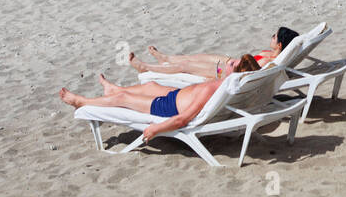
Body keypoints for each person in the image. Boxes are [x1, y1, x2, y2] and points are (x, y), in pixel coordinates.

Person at [60, 55, 261, 142]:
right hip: (175, 96)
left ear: (235, 72)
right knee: (150, 85)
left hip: (168, 108)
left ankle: (82, 102)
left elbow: (184, 119)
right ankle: (112, 88)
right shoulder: (226, 86)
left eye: (232, 63)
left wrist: (156, 128)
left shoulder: (213, 89)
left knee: (124, 98)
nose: (228, 62)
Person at [129, 26, 300, 78]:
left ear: (279, 45)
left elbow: (246, 76)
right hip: (230, 62)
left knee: (185, 65)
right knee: (194, 57)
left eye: (274, 36)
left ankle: (145, 68)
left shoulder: (267, 62)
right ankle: (164, 58)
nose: (271, 37)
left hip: (225, 73)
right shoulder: (271, 55)